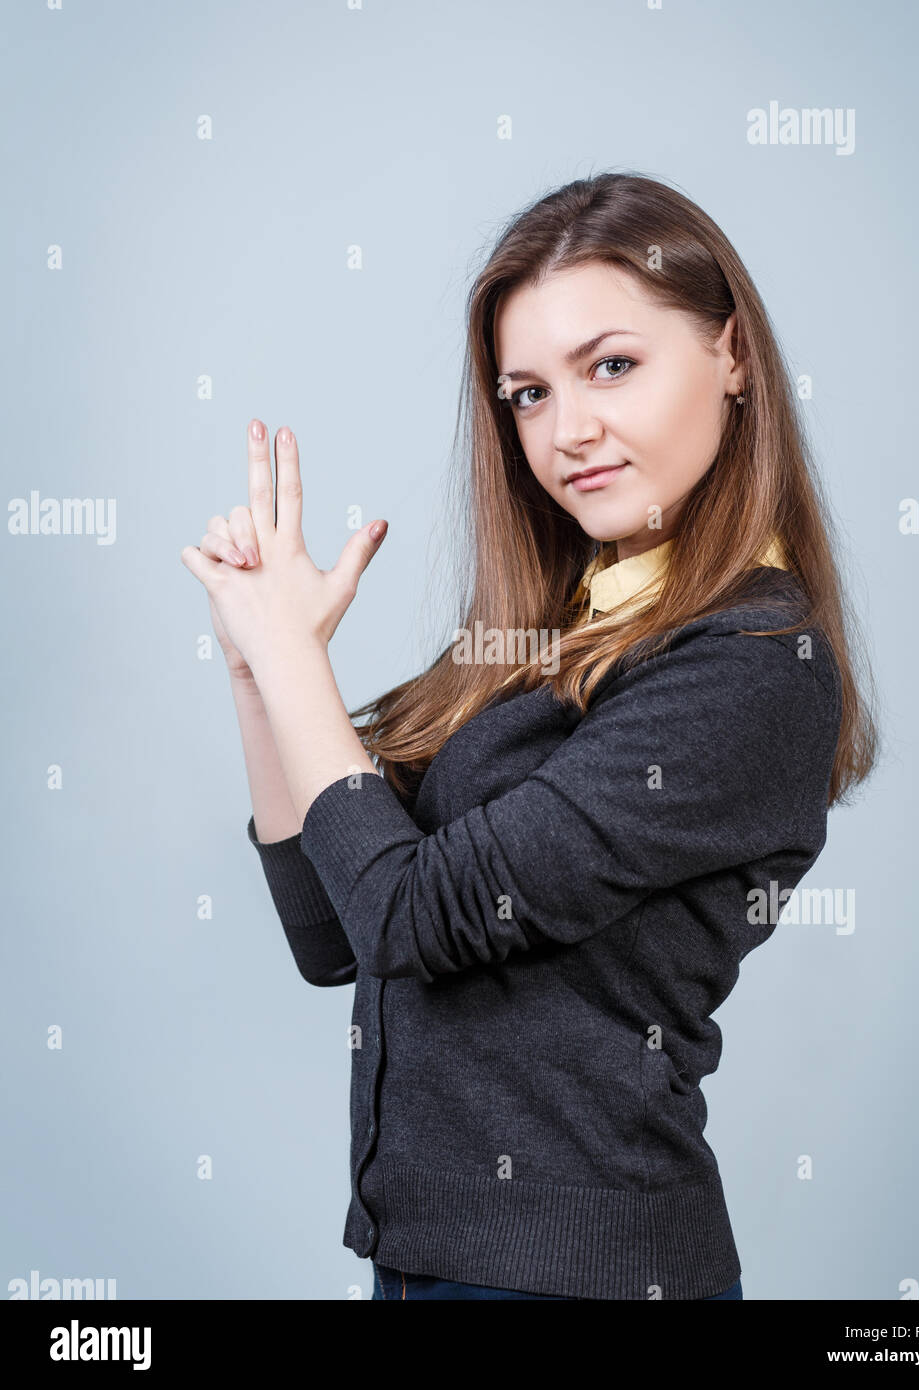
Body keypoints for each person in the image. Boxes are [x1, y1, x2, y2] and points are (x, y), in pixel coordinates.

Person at [181, 170, 879, 1300]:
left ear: (733, 356)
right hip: (430, 1267)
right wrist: (260, 671)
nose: (570, 432)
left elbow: (414, 917)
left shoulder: (752, 662)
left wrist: (299, 660)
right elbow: (336, 931)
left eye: (612, 365)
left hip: (579, 1278)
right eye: (528, 394)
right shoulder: (555, 634)